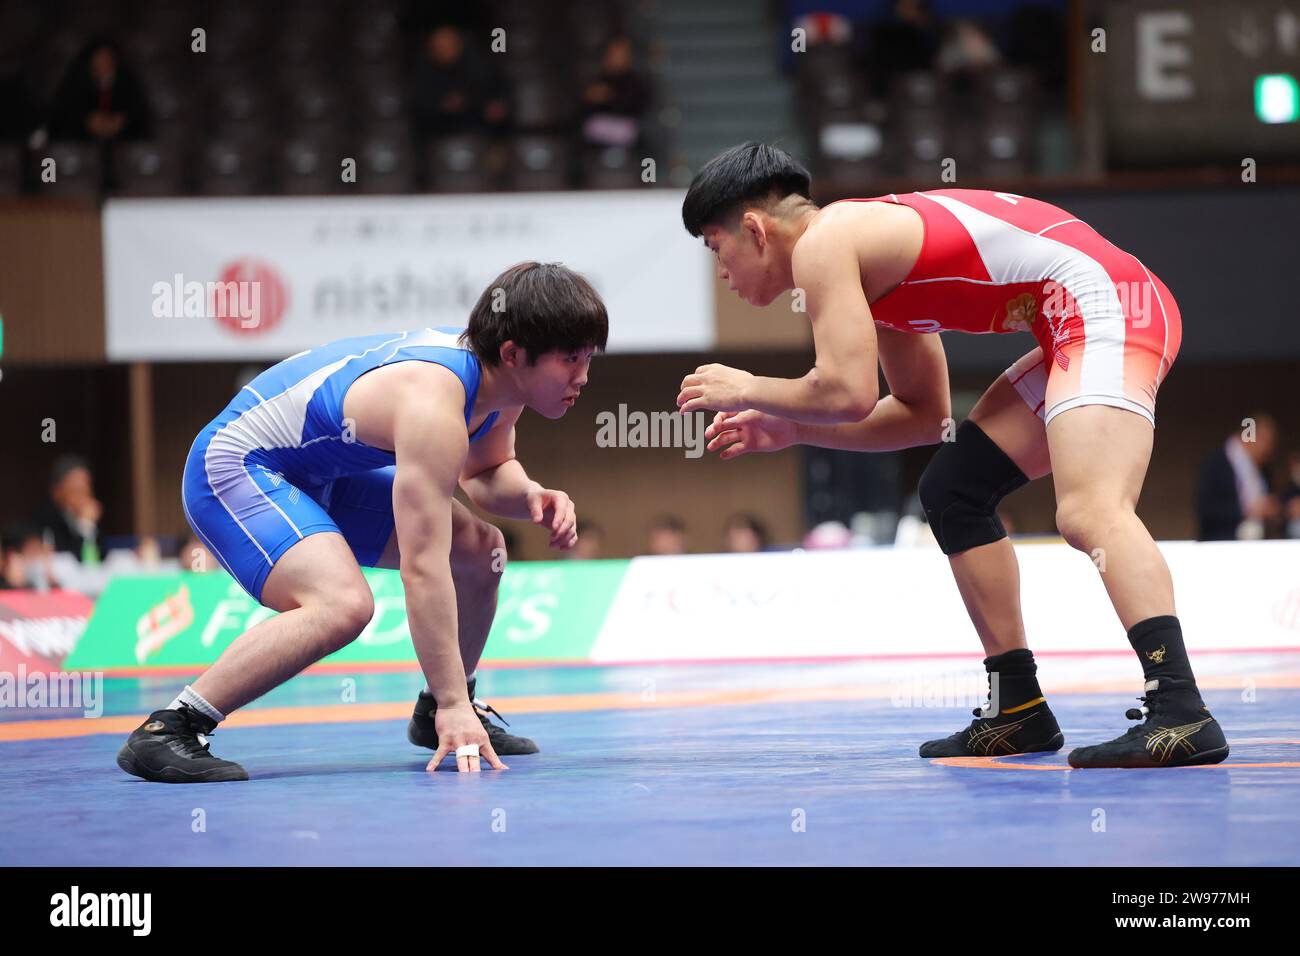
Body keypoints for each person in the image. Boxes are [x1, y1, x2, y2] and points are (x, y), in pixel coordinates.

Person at [680, 142, 1227, 768]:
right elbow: (922, 416)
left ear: (755, 229)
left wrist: (749, 388)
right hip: (1076, 319)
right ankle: (1018, 706)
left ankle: (1181, 709)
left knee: (1090, 510)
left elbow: (846, 391)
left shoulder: (825, 242)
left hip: (1108, 306)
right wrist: (794, 429)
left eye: (715, 247)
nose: (721, 271)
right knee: (953, 491)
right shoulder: (862, 265)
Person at [117, 262, 607, 782]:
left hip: (320, 474)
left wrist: (530, 494)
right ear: (513, 354)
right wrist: (454, 706)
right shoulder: (432, 405)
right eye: (570, 359)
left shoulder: (498, 389)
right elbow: (423, 569)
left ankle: (440, 706)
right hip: (236, 467)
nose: (583, 376)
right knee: (343, 604)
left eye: (588, 358)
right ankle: (172, 726)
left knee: (480, 551)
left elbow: (485, 472)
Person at [1195, 414, 1280, 541]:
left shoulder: (1263, 469)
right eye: (1264, 440)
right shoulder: (1217, 464)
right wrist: (1247, 510)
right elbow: (1206, 510)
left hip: (1258, 542)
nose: (1268, 449)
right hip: (1221, 542)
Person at [31, 456, 102, 563]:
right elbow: (70, 560)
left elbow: (101, 556)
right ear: (57, 491)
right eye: (76, 490)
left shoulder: (88, 516)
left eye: (86, 490)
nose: (83, 497)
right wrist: (85, 526)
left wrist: (88, 527)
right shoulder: (45, 520)